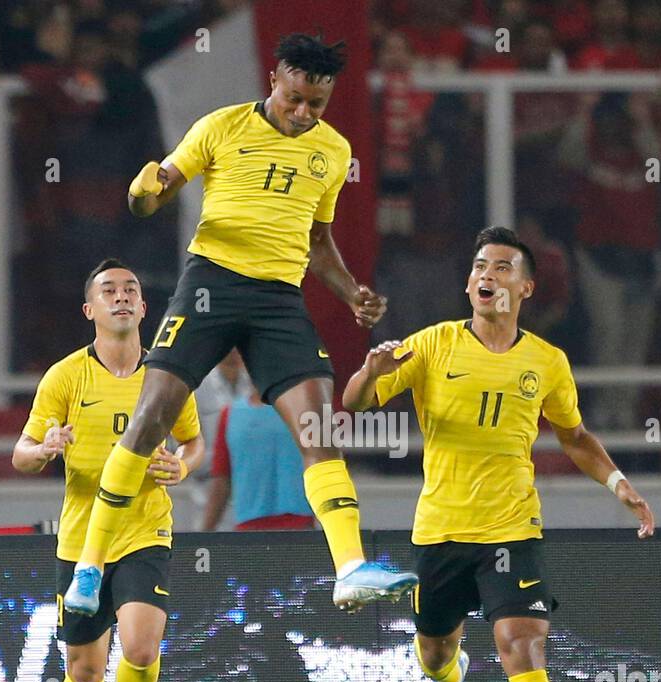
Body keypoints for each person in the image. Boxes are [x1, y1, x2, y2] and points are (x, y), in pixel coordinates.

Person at [64, 32, 416, 616]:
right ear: (275, 77)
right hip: (211, 285)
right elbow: (157, 193)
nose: (304, 113)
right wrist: (143, 194)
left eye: (317, 104)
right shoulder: (221, 126)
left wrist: (352, 292)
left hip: (278, 299)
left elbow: (318, 240)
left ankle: (350, 568)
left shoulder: (331, 152)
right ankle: (89, 567)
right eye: (296, 98)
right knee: (152, 416)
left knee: (320, 428)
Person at [343, 226, 655, 682]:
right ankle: (450, 676)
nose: (488, 275)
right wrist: (368, 369)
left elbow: (575, 437)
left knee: (524, 647)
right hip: (440, 530)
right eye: (480, 265)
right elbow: (355, 405)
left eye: (503, 267)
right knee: (435, 650)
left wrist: (621, 486)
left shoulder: (547, 362)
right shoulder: (432, 344)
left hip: (512, 531)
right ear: (468, 283)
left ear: (526, 287)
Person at [13, 258, 205, 682]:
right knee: (84, 672)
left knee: (142, 648)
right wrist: (45, 448)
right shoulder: (65, 377)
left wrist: (182, 466)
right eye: (108, 291)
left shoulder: (168, 377)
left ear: (145, 309)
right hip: (79, 542)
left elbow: (193, 444)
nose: (121, 298)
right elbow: (19, 454)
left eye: (131, 290)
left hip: (145, 531)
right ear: (89, 310)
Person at [201, 385, 315, 532]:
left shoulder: (308, 409)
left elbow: (221, 481)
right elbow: (221, 480)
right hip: (254, 528)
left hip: (296, 525)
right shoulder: (230, 415)